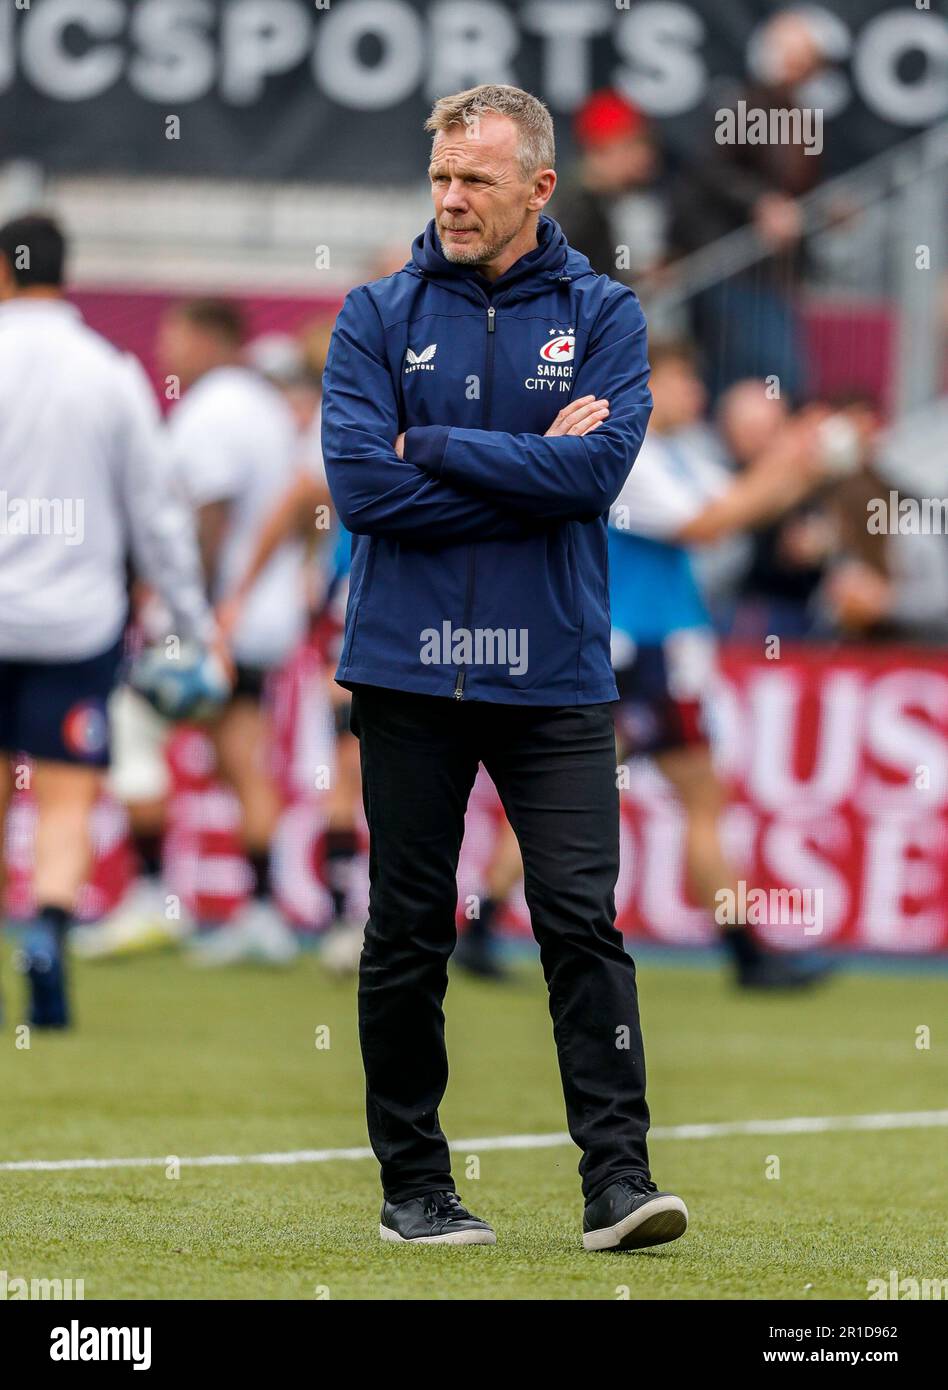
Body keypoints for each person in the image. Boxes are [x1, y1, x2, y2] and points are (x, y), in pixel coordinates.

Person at [322, 83, 688, 1252]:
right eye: (440, 178)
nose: (452, 199)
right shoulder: (374, 312)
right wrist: (524, 460)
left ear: (539, 185)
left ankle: (618, 1185)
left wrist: (430, 443)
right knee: (409, 929)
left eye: (475, 179)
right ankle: (414, 1191)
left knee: (581, 919)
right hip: (409, 670)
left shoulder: (608, 313)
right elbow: (362, 489)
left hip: (557, 674)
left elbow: (593, 482)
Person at [0, 214, 222, 1026]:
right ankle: (50, 929)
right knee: (63, 796)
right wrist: (194, 623)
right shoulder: (111, 372)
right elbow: (157, 518)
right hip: (74, 622)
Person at [607, 342, 837, 986]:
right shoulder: (630, 456)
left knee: (600, 798)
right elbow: (708, 524)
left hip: (642, 653)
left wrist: (804, 463)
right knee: (699, 800)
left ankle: (480, 930)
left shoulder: (676, 455)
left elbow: (743, 503)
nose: (697, 396)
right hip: (642, 653)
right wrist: (790, 460)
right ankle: (747, 955)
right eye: (684, 381)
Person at [156, 299, 308, 966]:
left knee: (148, 737)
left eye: (174, 334)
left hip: (225, 617)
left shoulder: (216, 407)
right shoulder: (265, 406)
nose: (166, 350)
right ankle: (262, 911)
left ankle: (148, 896)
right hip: (258, 613)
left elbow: (209, 517)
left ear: (203, 336)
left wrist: (195, 617)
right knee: (240, 754)